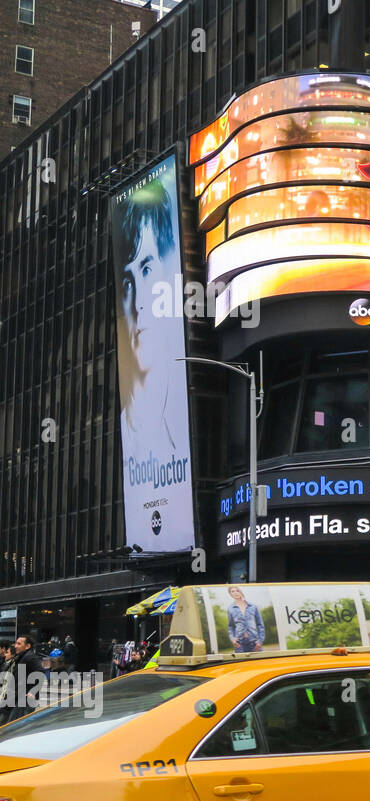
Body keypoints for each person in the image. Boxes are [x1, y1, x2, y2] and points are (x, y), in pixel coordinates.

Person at [114, 169, 192, 553]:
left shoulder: (176, 410)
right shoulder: (128, 430)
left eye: (146, 269)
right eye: (128, 281)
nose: (139, 301)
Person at [226, 586, 264, 653]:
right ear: (230, 594)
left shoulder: (253, 606)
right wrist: (233, 639)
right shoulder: (230, 609)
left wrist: (260, 641)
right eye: (233, 591)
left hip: (254, 642)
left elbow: (260, 625)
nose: (236, 593)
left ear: (241, 592)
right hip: (239, 644)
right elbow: (231, 626)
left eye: (237, 591)